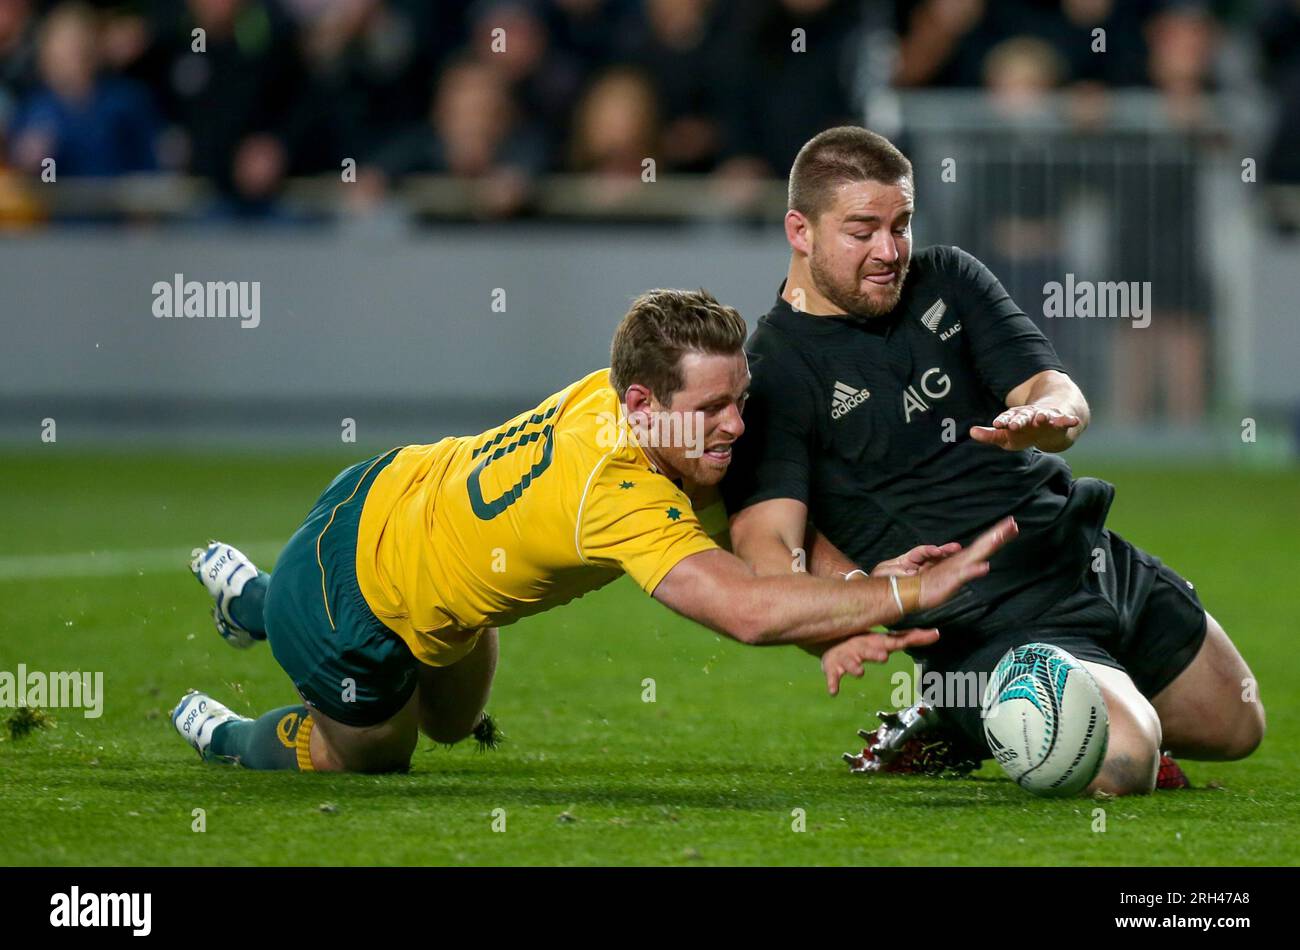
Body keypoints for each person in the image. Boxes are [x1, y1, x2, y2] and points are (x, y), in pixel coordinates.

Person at [174, 288, 1017, 773]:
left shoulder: (632, 401)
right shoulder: (616, 492)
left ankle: (251, 600)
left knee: (455, 725)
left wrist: (855, 596)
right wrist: (902, 590)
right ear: (643, 404)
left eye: (742, 398)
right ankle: (232, 722)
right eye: (713, 408)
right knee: (372, 765)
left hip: (394, 496)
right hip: (347, 603)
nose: (734, 426)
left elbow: (764, 556)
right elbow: (748, 610)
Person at [721, 125, 1264, 796]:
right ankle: (966, 704)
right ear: (800, 231)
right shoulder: (773, 371)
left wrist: (1050, 416)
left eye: (902, 225)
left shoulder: (949, 276)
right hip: (984, 617)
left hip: (1077, 548)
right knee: (1125, 759)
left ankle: (965, 722)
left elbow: (1054, 391)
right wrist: (842, 613)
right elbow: (766, 541)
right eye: (862, 232)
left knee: (1238, 725)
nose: (889, 251)